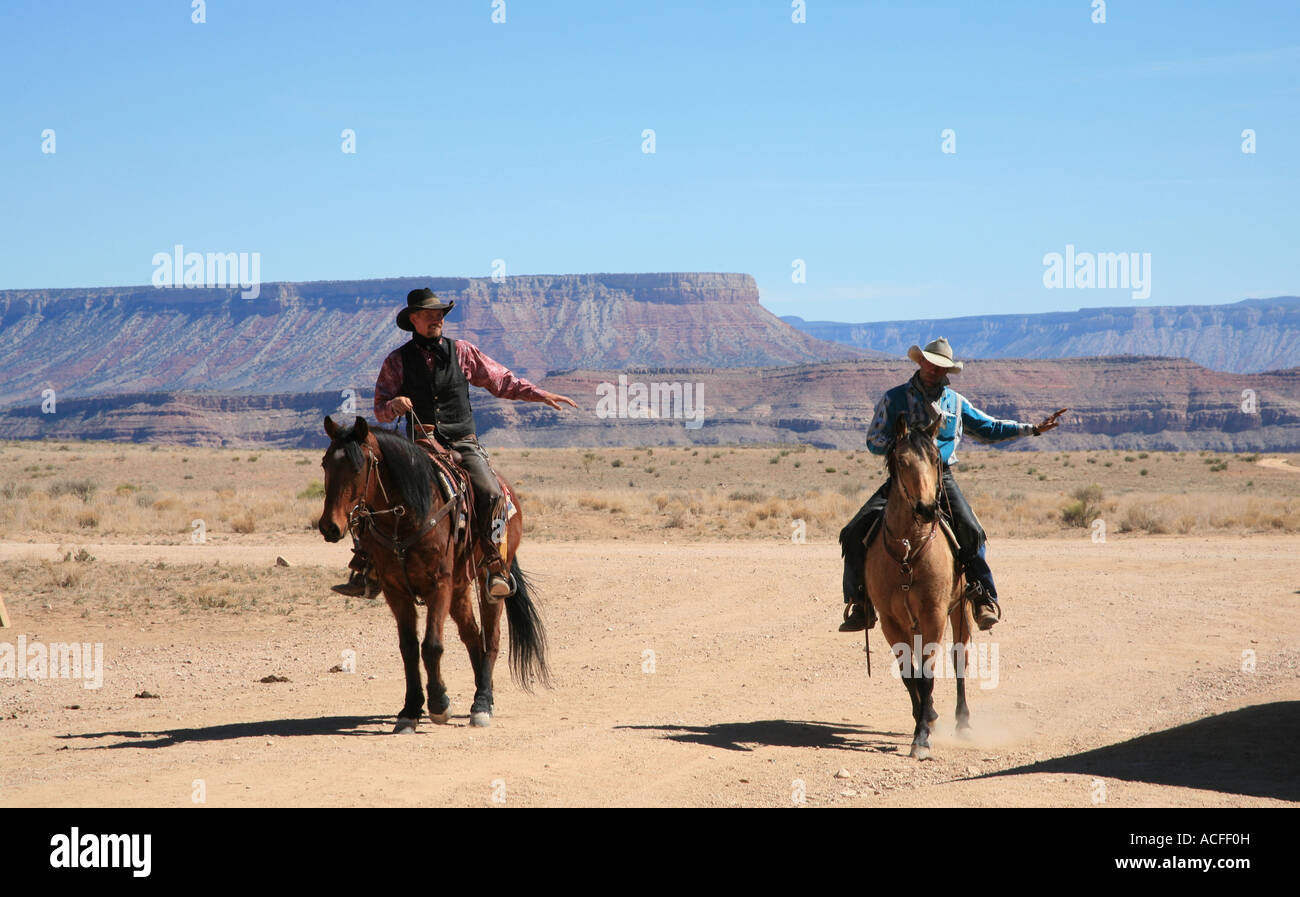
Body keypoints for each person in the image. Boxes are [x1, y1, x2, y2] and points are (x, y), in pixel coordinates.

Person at [332, 288, 577, 599]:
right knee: (376, 492)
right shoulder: (396, 361)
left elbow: (501, 380)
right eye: (431, 314)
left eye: (441, 314)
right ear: (414, 319)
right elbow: (379, 407)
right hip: (417, 446)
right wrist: (394, 405)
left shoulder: (462, 351)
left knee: (491, 493)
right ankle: (366, 568)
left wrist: (540, 394)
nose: (438, 319)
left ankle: (495, 563)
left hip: (463, 442)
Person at [838, 337, 1065, 633]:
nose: (934, 371)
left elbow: (989, 428)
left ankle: (982, 596)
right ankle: (861, 602)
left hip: (941, 478)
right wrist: (901, 448)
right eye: (931, 365)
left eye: (941, 367)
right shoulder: (893, 399)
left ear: (947, 371)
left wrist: (1031, 429)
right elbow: (873, 440)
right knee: (854, 532)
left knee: (972, 531)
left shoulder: (956, 403)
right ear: (921, 363)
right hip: (904, 478)